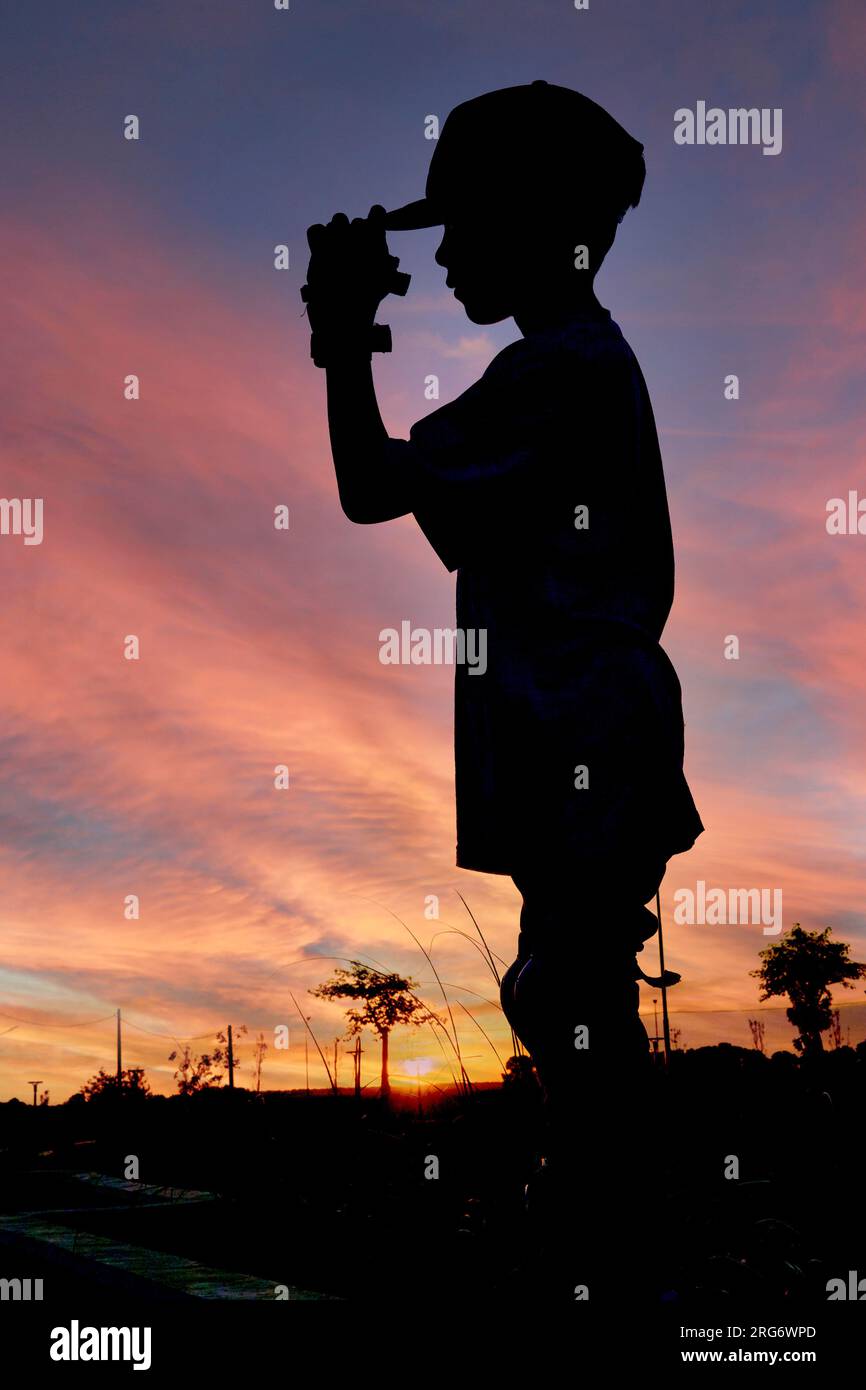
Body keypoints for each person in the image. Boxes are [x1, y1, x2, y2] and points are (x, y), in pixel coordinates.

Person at [304, 80, 703, 1299]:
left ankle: (610, 1229)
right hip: (575, 726)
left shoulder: (557, 369)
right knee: (562, 987)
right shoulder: (570, 367)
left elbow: (372, 486)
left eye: (465, 228)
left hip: (582, 726)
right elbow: (434, 508)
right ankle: (601, 1215)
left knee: (564, 992)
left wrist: (340, 329)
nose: (450, 256)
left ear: (538, 225)